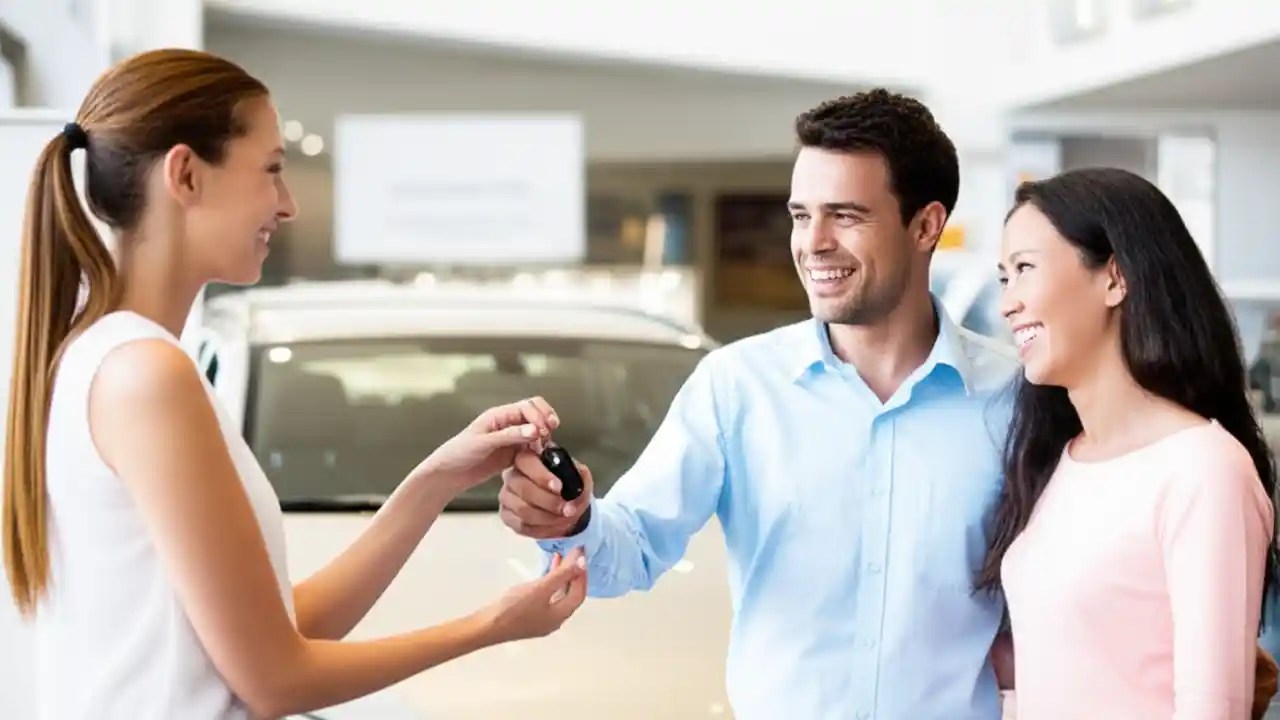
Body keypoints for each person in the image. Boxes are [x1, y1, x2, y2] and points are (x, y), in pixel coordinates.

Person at [1, 49, 586, 720]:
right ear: (186, 175)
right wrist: (492, 625)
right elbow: (276, 679)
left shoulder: (111, 358)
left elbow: (278, 630)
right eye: (272, 170)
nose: (288, 205)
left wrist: (437, 479)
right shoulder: (145, 374)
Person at [500, 89, 1019, 719]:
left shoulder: (1016, 398)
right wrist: (569, 521)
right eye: (801, 215)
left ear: (926, 225)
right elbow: (629, 548)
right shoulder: (736, 387)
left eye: (845, 216)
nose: (812, 243)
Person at [978, 167, 1279, 719]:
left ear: (1114, 278)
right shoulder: (1059, 461)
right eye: (1004, 278)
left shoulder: (1203, 470)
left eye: (1025, 269)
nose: (1007, 303)